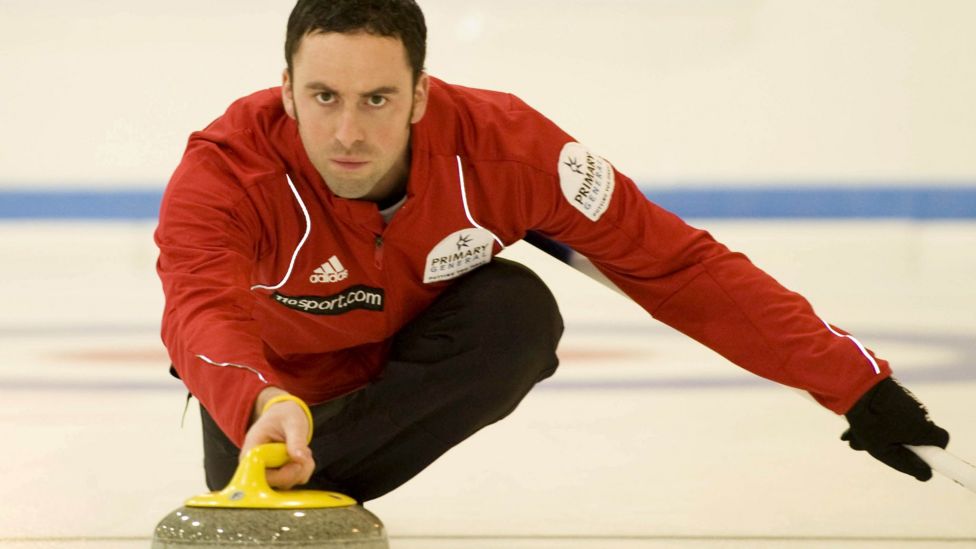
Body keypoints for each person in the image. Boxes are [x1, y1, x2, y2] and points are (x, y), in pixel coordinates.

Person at [155, 0, 950, 502]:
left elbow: (676, 265)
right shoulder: (224, 172)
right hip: (264, 395)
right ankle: (284, 466)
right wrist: (263, 404)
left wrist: (854, 383)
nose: (349, 131)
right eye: (323, 98)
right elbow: (199, 310)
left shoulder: (510, 151)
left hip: (389, 383)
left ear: (422, 95)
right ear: (287, 89)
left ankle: (309, 481)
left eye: (378, 99)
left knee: (518, 307)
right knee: (249, 397)